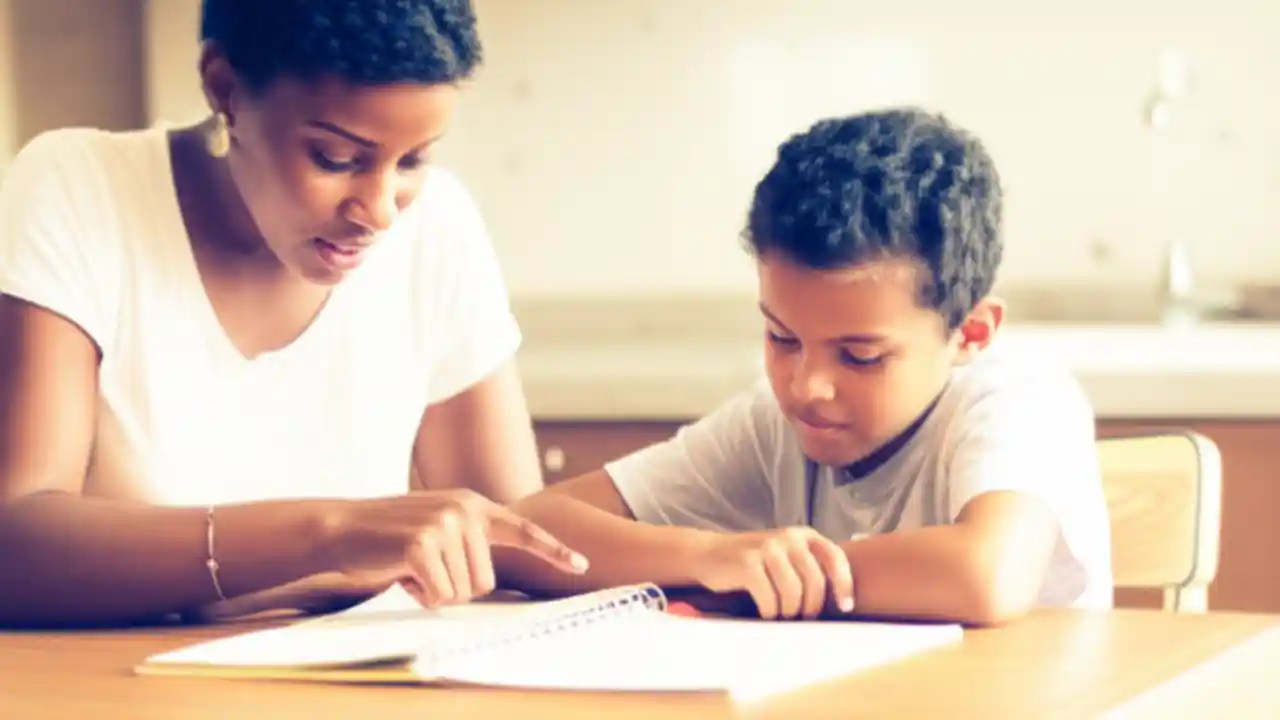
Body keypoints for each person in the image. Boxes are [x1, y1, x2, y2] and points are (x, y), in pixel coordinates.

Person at [0, 0, 587, 628]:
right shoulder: (79, 188)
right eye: (336, 159)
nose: (382, 210)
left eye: (412, 160)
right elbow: (16, 543)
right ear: (224, 88)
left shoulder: (436, 223)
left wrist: (700, 552)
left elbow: (513, 538)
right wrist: (330, 533)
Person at [498, 108, 1113, 625]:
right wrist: (709, 555)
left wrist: (758, 576)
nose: (806, 386)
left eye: (861, 356)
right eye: (781, 337)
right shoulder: (774, 428)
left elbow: (985, 574)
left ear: (971, 333)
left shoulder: (1019, 399)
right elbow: (523, 532)